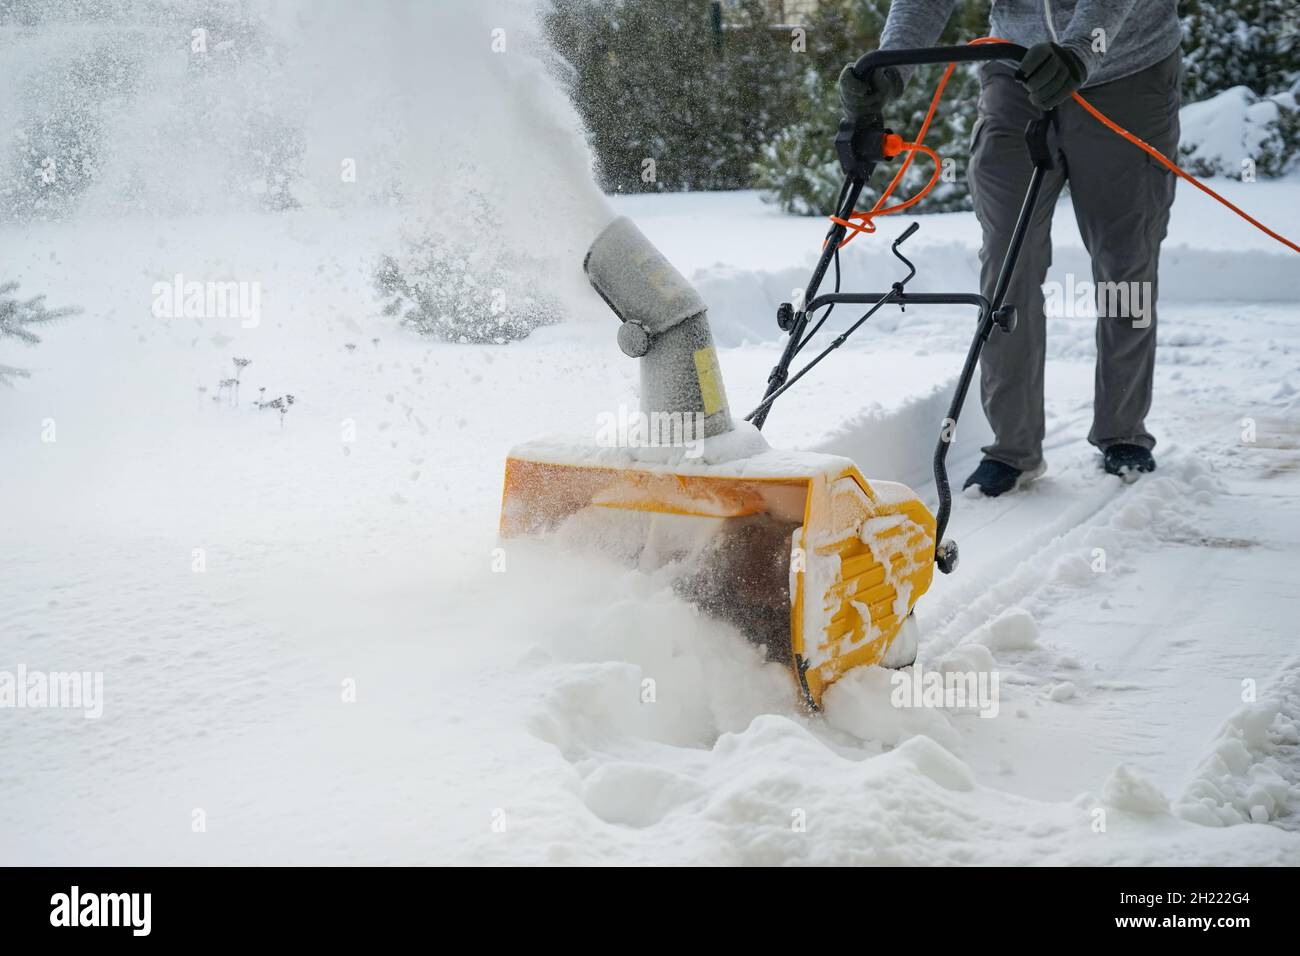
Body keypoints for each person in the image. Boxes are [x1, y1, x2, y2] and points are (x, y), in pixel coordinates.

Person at [839, 1, 1183, 496]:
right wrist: (890, 64)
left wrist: (1082, 50)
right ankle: (1011, 447)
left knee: (1125, 261)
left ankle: (1123, 431)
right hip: (1017, 71)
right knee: (1007, 257)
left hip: (1128, 72)